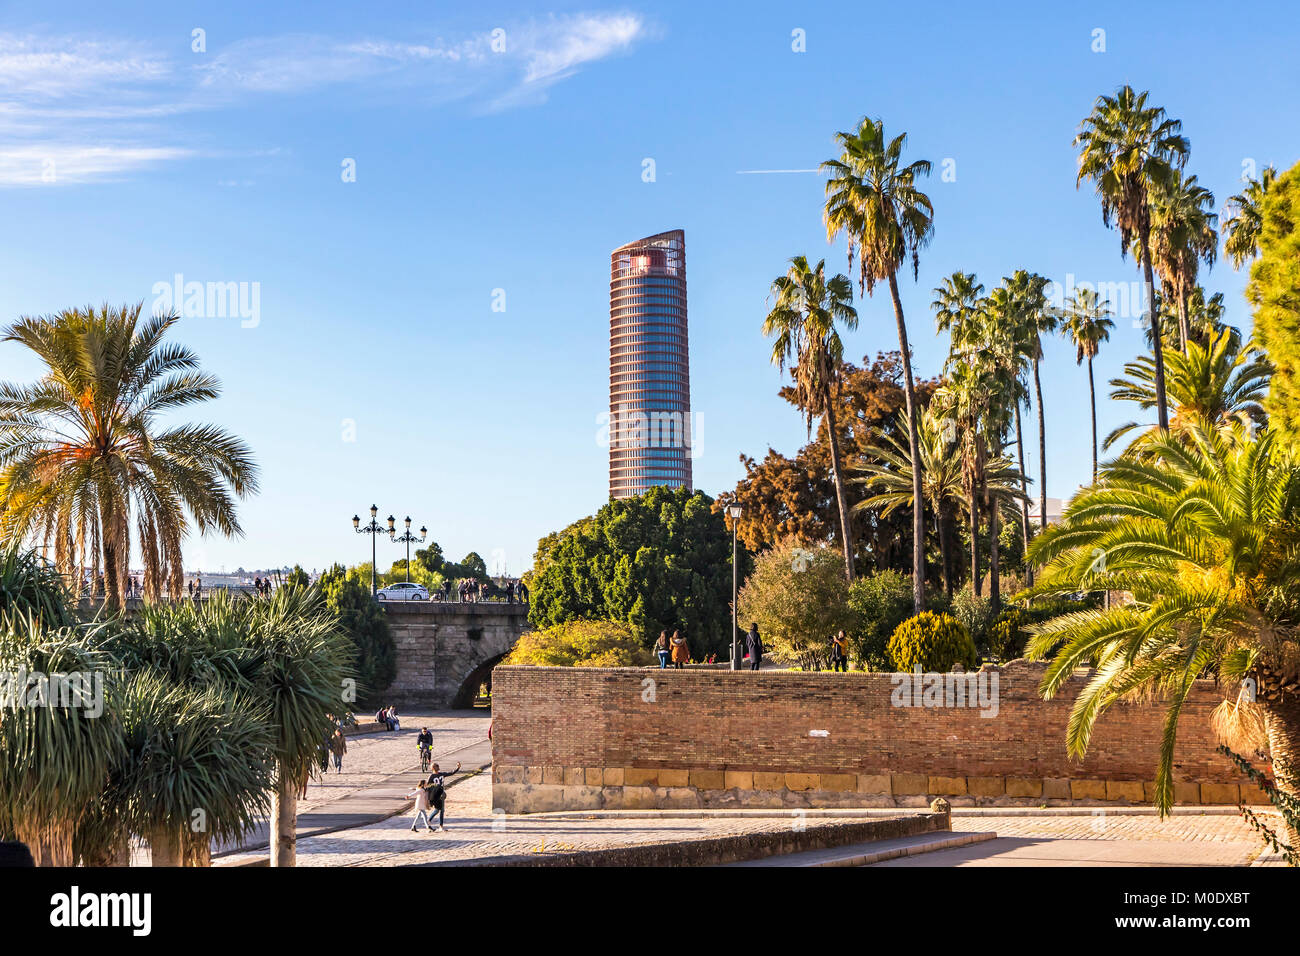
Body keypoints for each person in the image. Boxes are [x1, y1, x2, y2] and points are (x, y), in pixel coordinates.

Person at [426, 762, 462, 831]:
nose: (438, 767)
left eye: (437, 766)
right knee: (437, 810)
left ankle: (440, 826)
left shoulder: (441, 774)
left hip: (441, 794)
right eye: (436, 766)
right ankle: (430, 820)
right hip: (435, 795)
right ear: (433, 768)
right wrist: (428, 798)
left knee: (442, 810)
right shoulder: (431, 776)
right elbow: (427, 787)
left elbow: (451, 773)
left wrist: (458, 768)